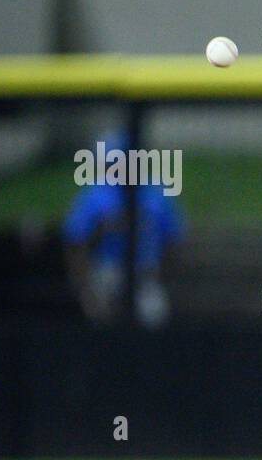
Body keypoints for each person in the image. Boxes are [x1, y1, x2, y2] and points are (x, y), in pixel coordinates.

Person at [62, 131, 184, 328]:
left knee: (153, 315)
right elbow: (76, 243)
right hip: (106, 272)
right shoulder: (96, 195)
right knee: (102, 316)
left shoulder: (156, 193)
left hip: (145, 272)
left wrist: (163, 277)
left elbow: (173, 241)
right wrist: (85, 289)